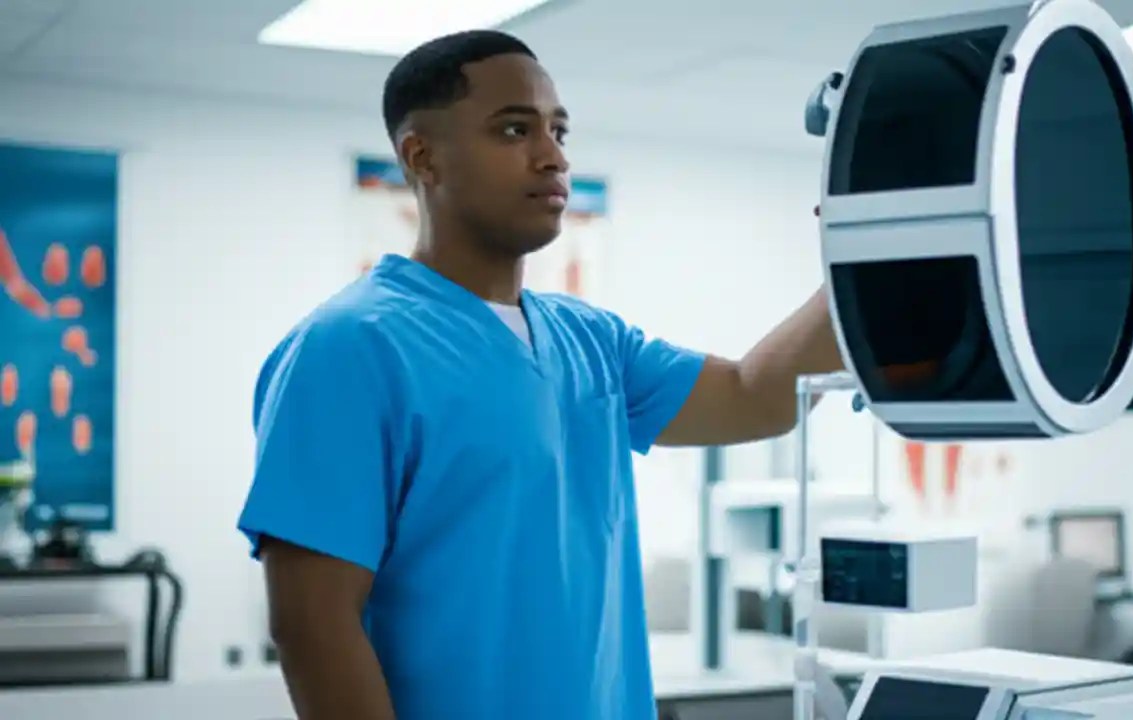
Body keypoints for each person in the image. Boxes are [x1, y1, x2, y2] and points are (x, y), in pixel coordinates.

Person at [236, 29, 845, 720]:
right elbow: (313, 626)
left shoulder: (591, 339)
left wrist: (863, 262)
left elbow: (753, 398)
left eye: (558, 130)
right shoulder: (347, 349)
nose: (552, 156)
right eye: (514, 129)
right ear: (422, 156)